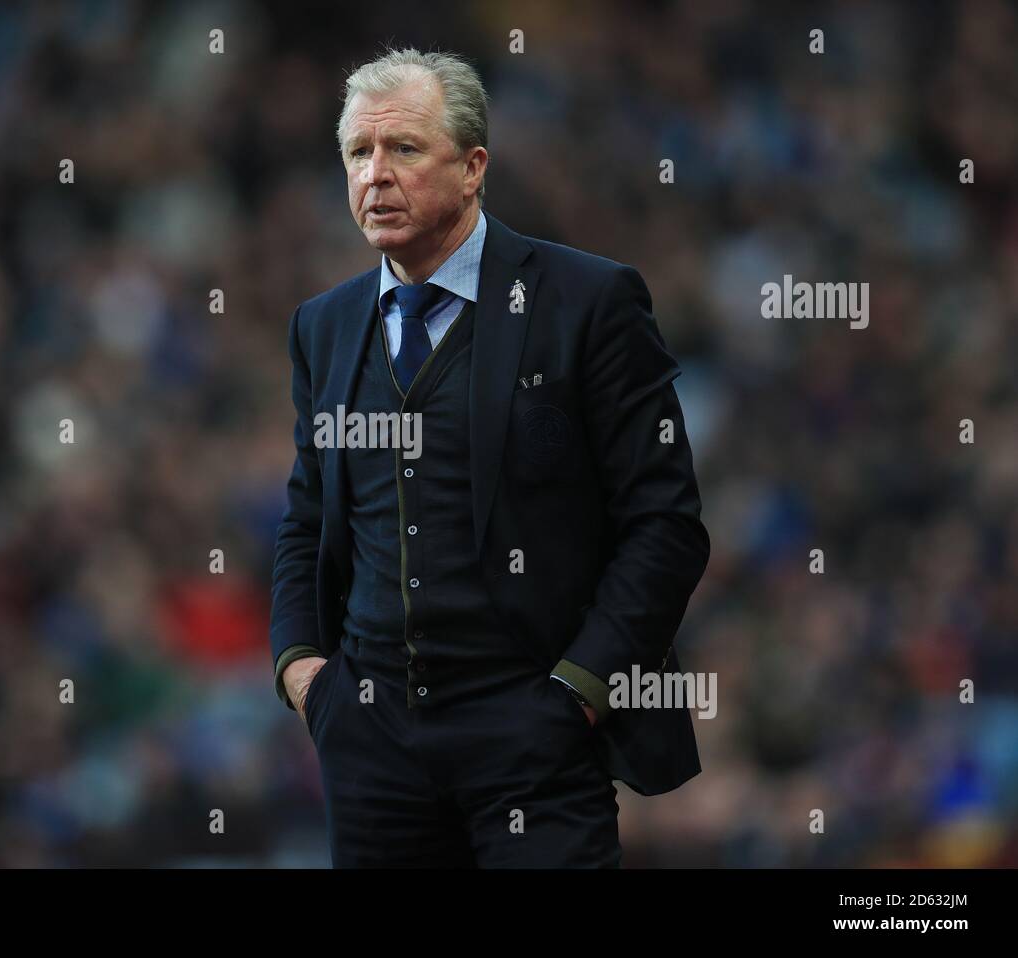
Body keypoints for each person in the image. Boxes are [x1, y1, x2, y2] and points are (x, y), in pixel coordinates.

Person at [269, 47, 710, 867]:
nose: (375, 175)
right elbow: (307, 518)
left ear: (474, 168)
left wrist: (576, 694)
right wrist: (306, 674)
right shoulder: (323, 327)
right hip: (370, 745)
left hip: (534, 738)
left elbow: (666, 527)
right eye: (358, 154)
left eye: (403, 149)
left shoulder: (587, 302)